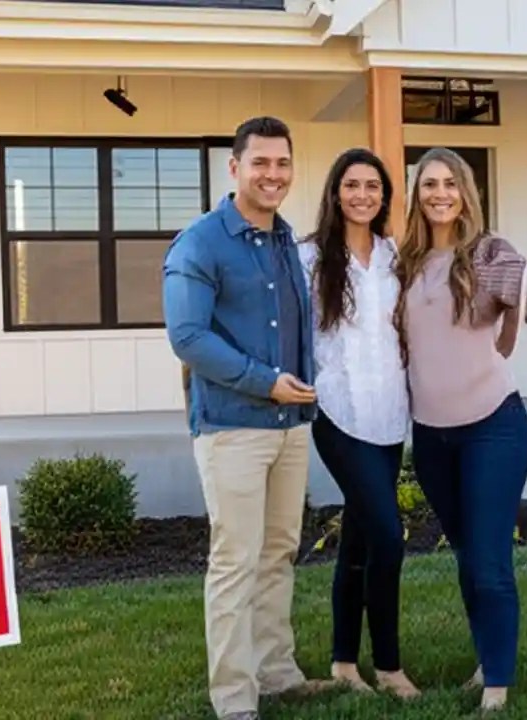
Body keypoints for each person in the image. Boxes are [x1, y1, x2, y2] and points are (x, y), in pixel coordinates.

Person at [391, 146, 527, 712]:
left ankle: (496, 685)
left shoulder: (487, 252)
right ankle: (485, 658)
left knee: (491, 558)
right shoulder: (403, 264)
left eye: (450, 183)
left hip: (494, 428)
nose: (440, 193)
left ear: (465, 191)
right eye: (429, 184)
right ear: (417, 194)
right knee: (468, 555)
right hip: (431, 437)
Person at [163, 116, 326, 720]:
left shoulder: (286, 240)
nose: (273, 174)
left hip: (290, 427)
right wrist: (267, 383)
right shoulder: (201, 243)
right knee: (235, 560)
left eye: (282, 163)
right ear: (234, 167)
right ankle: (234, 698)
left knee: (278, 551)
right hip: (233, 425)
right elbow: (187, 337)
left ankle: (277, 672)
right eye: (260, 163)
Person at [296, 148, 421, 699]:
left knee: (359, 540)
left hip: (390, 414)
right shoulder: (309, 258)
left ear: (384, 196)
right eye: (352, 185)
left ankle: (345, 663)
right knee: (389, 540)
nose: (362, 195)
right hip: (338, 412)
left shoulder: (397, 256)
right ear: (335, 192)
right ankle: (390, 667)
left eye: (373, 186)